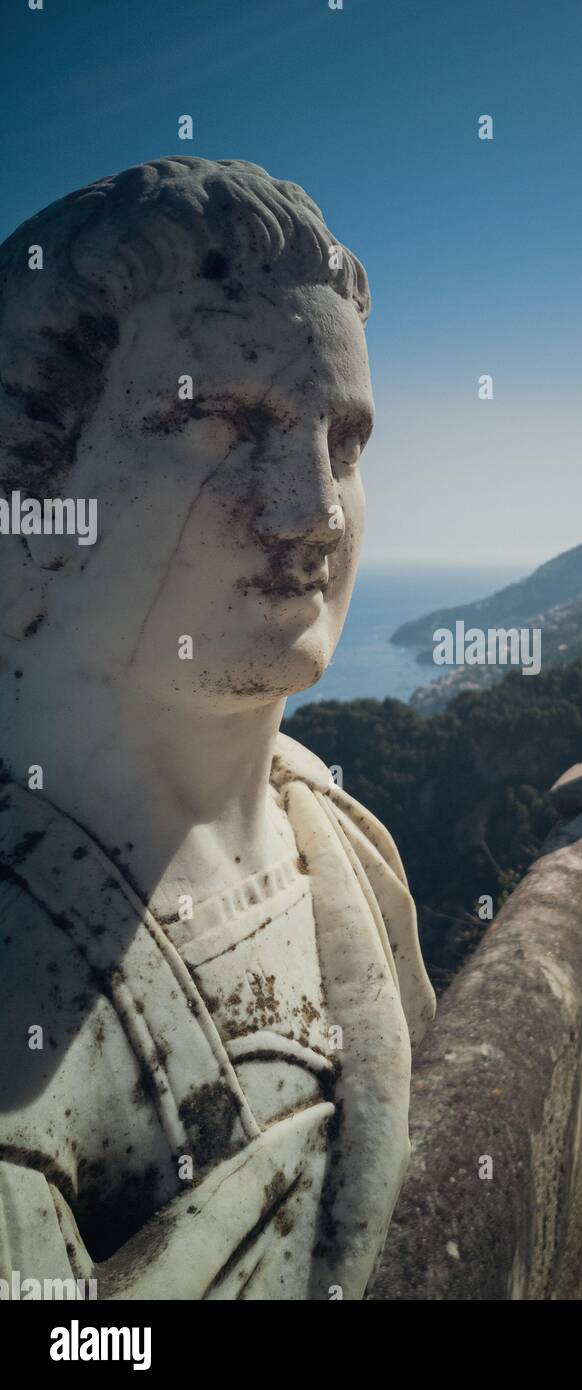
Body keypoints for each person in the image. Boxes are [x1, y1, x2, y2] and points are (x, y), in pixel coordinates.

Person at [0, 158, 435, 1299]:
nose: (313, 510)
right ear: (34, 492)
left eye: (345, 438)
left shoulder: (344, 842)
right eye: (212, 420)